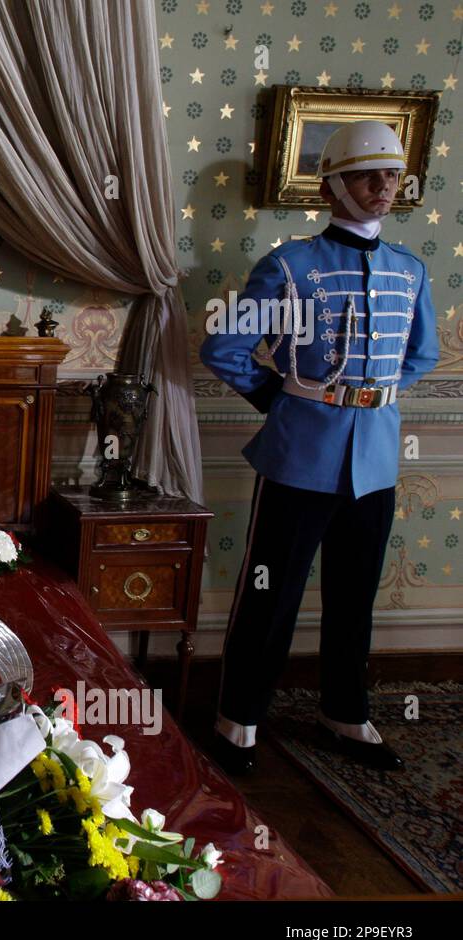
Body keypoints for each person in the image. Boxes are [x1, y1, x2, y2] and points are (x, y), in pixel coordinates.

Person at [199, 121, 438, 774]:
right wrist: (283, 399)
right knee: (270, 592)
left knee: (354, 594)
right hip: (300, 456)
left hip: (378, 462)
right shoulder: (290, 265)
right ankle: (238, 717)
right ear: (332, 185)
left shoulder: (409, 271)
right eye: (367, 174)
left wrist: (371, 400)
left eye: (391, 174)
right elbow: (223, 348)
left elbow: (422, 354)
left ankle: (345, 710)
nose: (383, 186)